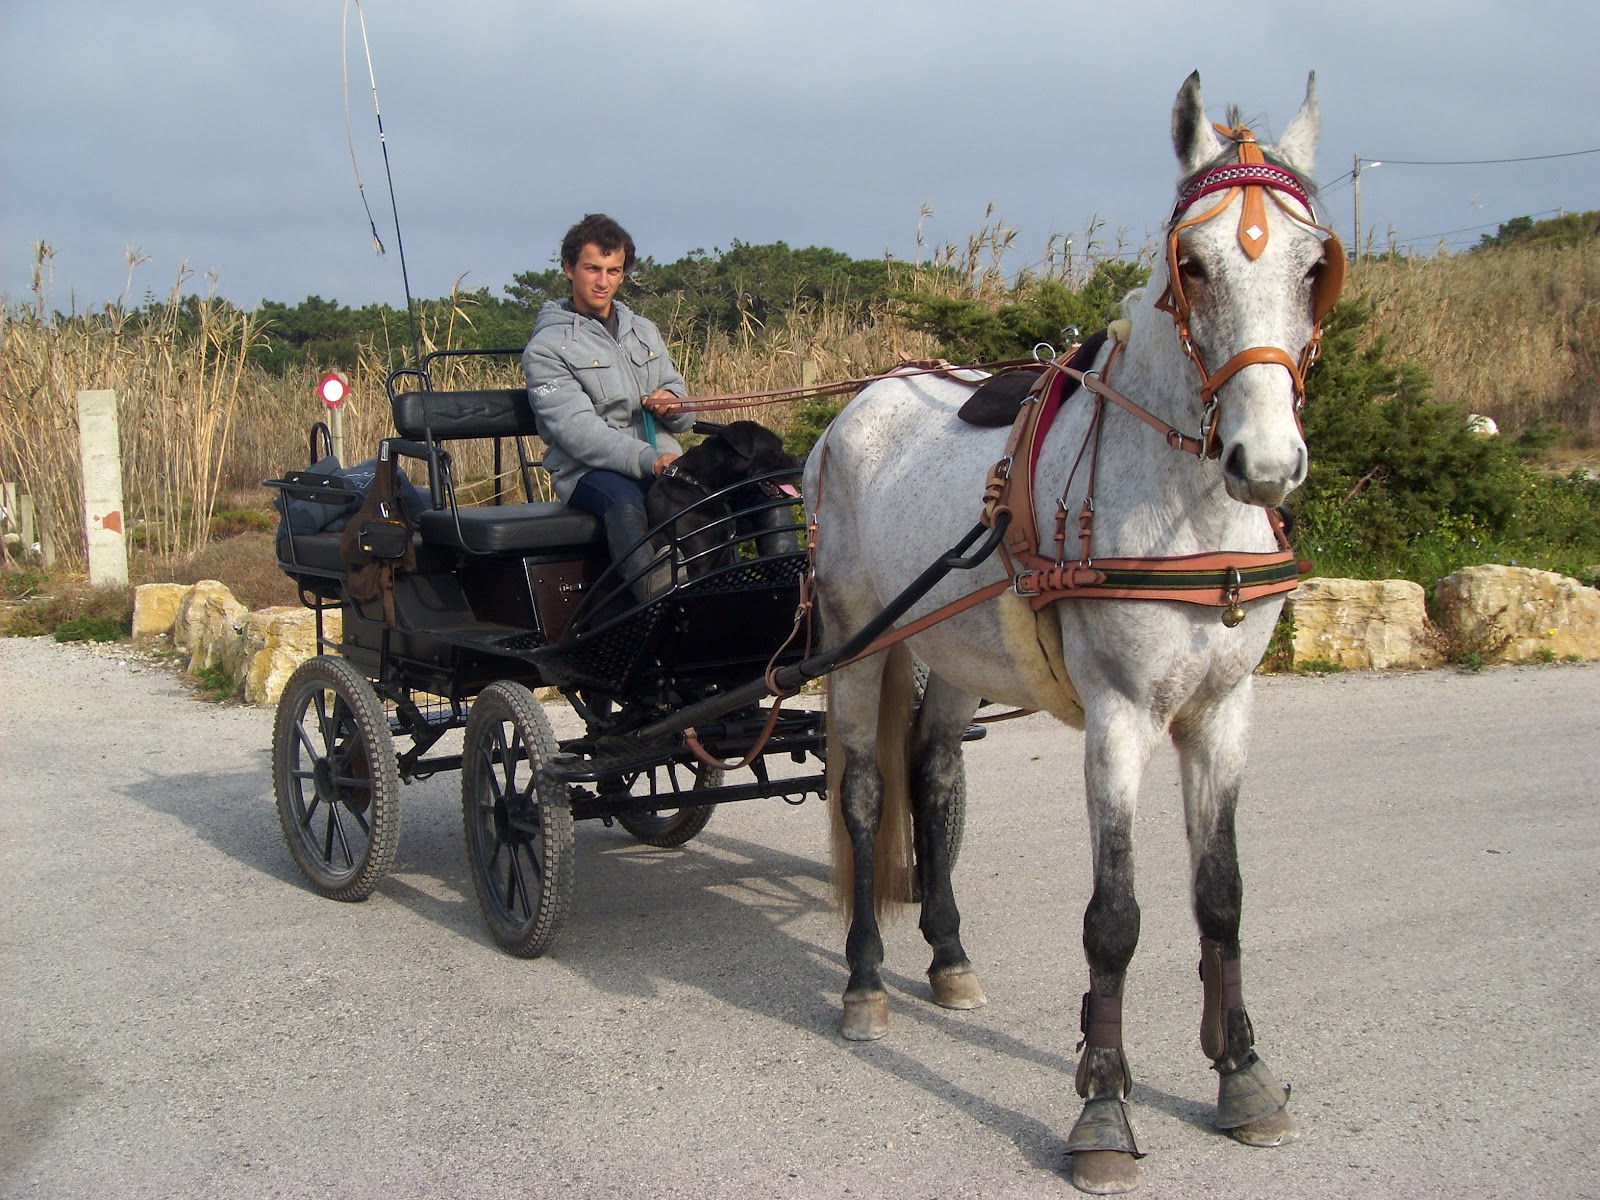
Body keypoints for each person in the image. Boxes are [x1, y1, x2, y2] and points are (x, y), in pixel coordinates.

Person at [522, 214, 694, 602]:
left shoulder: (643, 330)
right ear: (569, 268)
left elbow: (684, 406)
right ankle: (654, 601)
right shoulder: (547, 347)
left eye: (613, 271)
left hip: (663, 459)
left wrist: (674, 404)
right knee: (624, 502)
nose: (603, 282)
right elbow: (579, 433)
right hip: (589, 471)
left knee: (723, 490)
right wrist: (651, 459)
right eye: (592, 269)